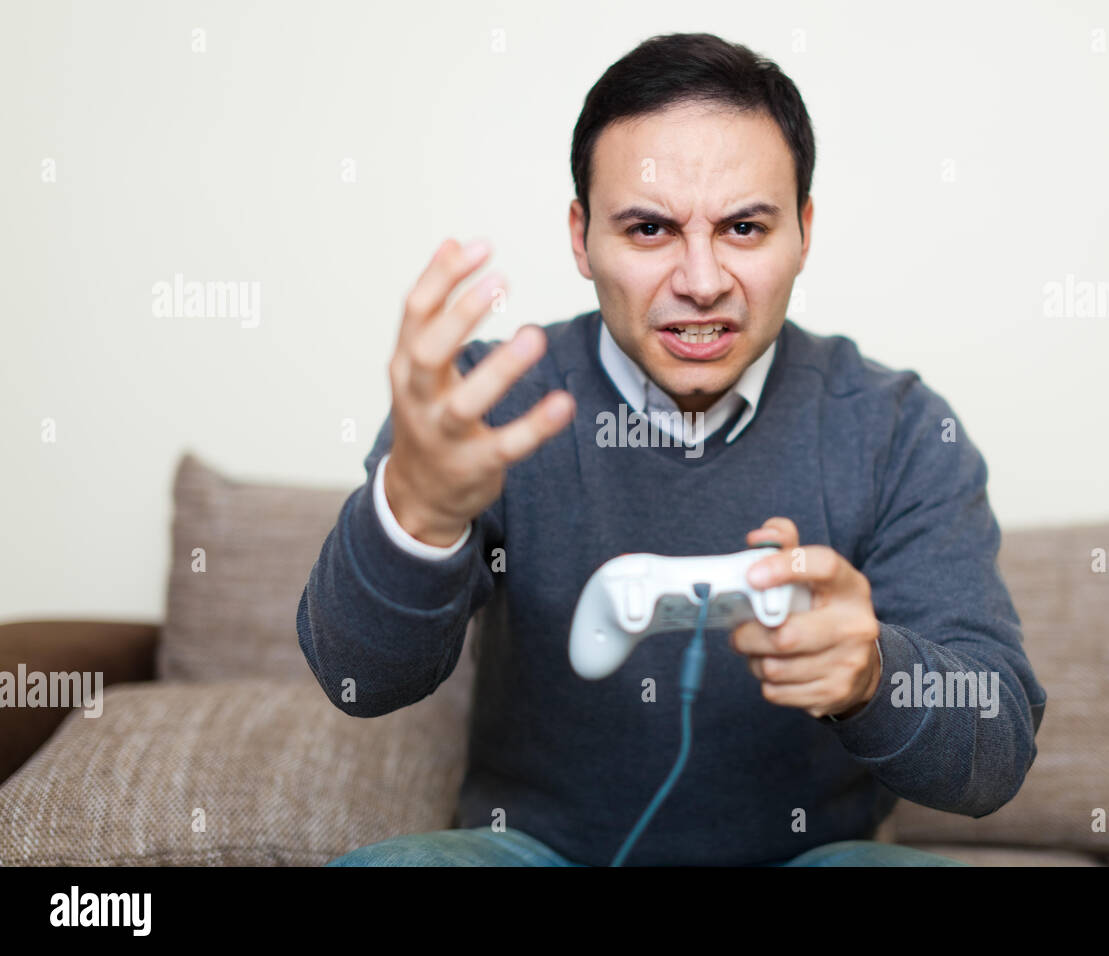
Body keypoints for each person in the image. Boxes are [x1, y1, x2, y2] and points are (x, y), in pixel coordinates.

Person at [298, 31, 1047, 867]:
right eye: (650, 229)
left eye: (745, 228)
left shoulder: (897, 427)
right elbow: (357, 681)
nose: (701, 279)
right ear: (581, 239)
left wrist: (874, 673)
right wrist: (419, 514)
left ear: (803, 231)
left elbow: (998, 752)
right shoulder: (486, 403)